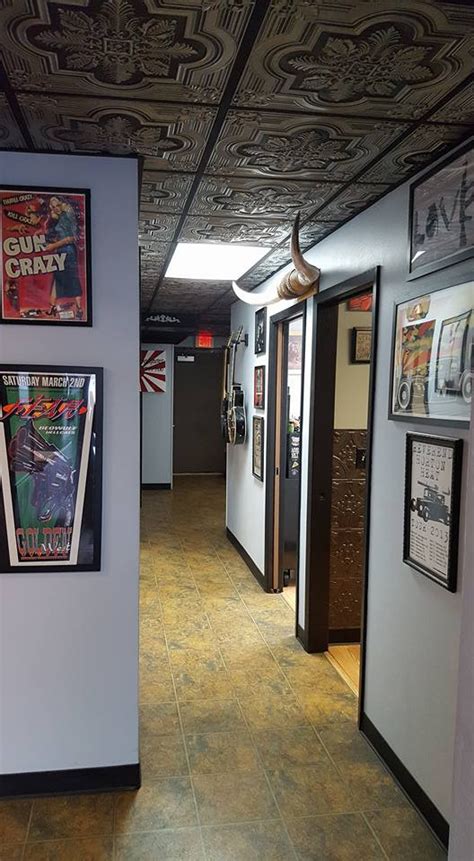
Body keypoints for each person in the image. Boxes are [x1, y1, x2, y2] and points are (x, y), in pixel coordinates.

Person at [43, 196, 83, 320]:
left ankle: (79, 309)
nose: (56, 208)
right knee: (57, 278)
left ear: (62, 204)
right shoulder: (58, 218)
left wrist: (53, 245)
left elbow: (71, 238)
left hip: (68, 251)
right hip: (60, 251)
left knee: (73, 278)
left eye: (58, 205)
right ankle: (52, 307)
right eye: (53, 207)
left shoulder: (67, 216)